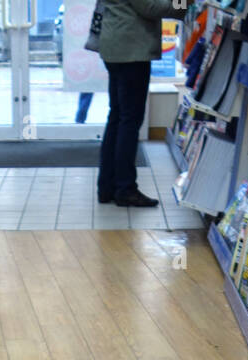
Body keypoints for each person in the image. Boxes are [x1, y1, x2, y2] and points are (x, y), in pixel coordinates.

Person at [97, 0, 181, 207]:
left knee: (117, 117)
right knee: (129, 120)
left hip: (115, 45)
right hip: (130, 50)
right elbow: (150, 7)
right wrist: (182, 3)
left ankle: (107, 186)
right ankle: (125, 188)